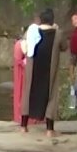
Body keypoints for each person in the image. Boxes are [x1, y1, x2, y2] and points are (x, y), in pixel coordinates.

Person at [20, 9, 65, 137]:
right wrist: (56, 28)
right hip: (50, 69)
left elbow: (24, 44)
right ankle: (49, 130)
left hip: (32, 67)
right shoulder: (58, 33)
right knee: (51, 95)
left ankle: (23, 126)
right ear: (52, 20)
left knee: (28, 92)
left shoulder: (32, 31)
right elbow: (64, 47)